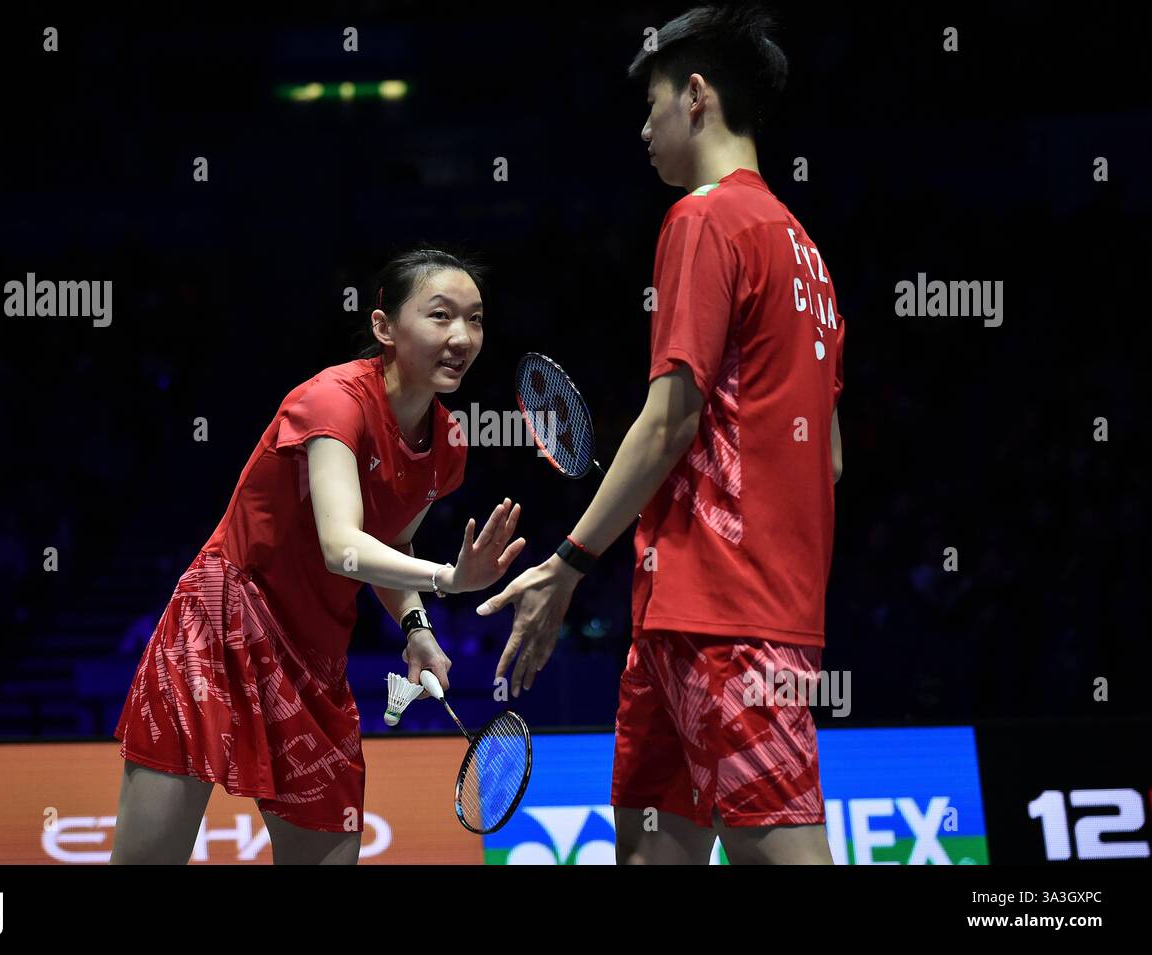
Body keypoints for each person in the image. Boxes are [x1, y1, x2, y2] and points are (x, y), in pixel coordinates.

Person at [479, 5, 844, 865]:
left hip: (725, 618)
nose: (643, 131)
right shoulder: (809, 257)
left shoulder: (703, 219)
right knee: (650, 850)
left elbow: (671, 417)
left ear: (696, 96)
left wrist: (567, 563)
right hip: (704, 612)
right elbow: (825, 455)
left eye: (651, 107)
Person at [111, 249, 524, 864]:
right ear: (384, 326)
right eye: (440, 316)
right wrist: (449, 578)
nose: (462, 337)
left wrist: (415, 626)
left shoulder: (447, 448)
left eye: (476, 319)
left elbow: (391, 543)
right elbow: (343, 546)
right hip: (221, 628)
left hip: (314, 658)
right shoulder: (333, 401)